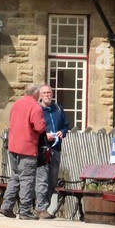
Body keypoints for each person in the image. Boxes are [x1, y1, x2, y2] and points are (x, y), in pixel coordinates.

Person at [0, 82, 46, 220]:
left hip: (13, 146)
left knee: (15, 177)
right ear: (36, 94)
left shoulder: (17, 104)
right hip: (27, 147)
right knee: (27, 179)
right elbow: (39, 127)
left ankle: (6, 206)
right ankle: (25, 210)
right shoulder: (35, 106)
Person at [34, 85, 70, 218]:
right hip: (43, 149)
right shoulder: (37, 109)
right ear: (40, 95)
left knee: (52, 180)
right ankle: (40, 208)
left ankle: (45, 208)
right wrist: (45, 135)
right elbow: (33, 128)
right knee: (42, 179)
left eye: (49, 92)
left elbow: (66, 126)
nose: (47, 95)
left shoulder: (58, 109)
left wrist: (62, 132)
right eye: (44, 93)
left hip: (56, 149)